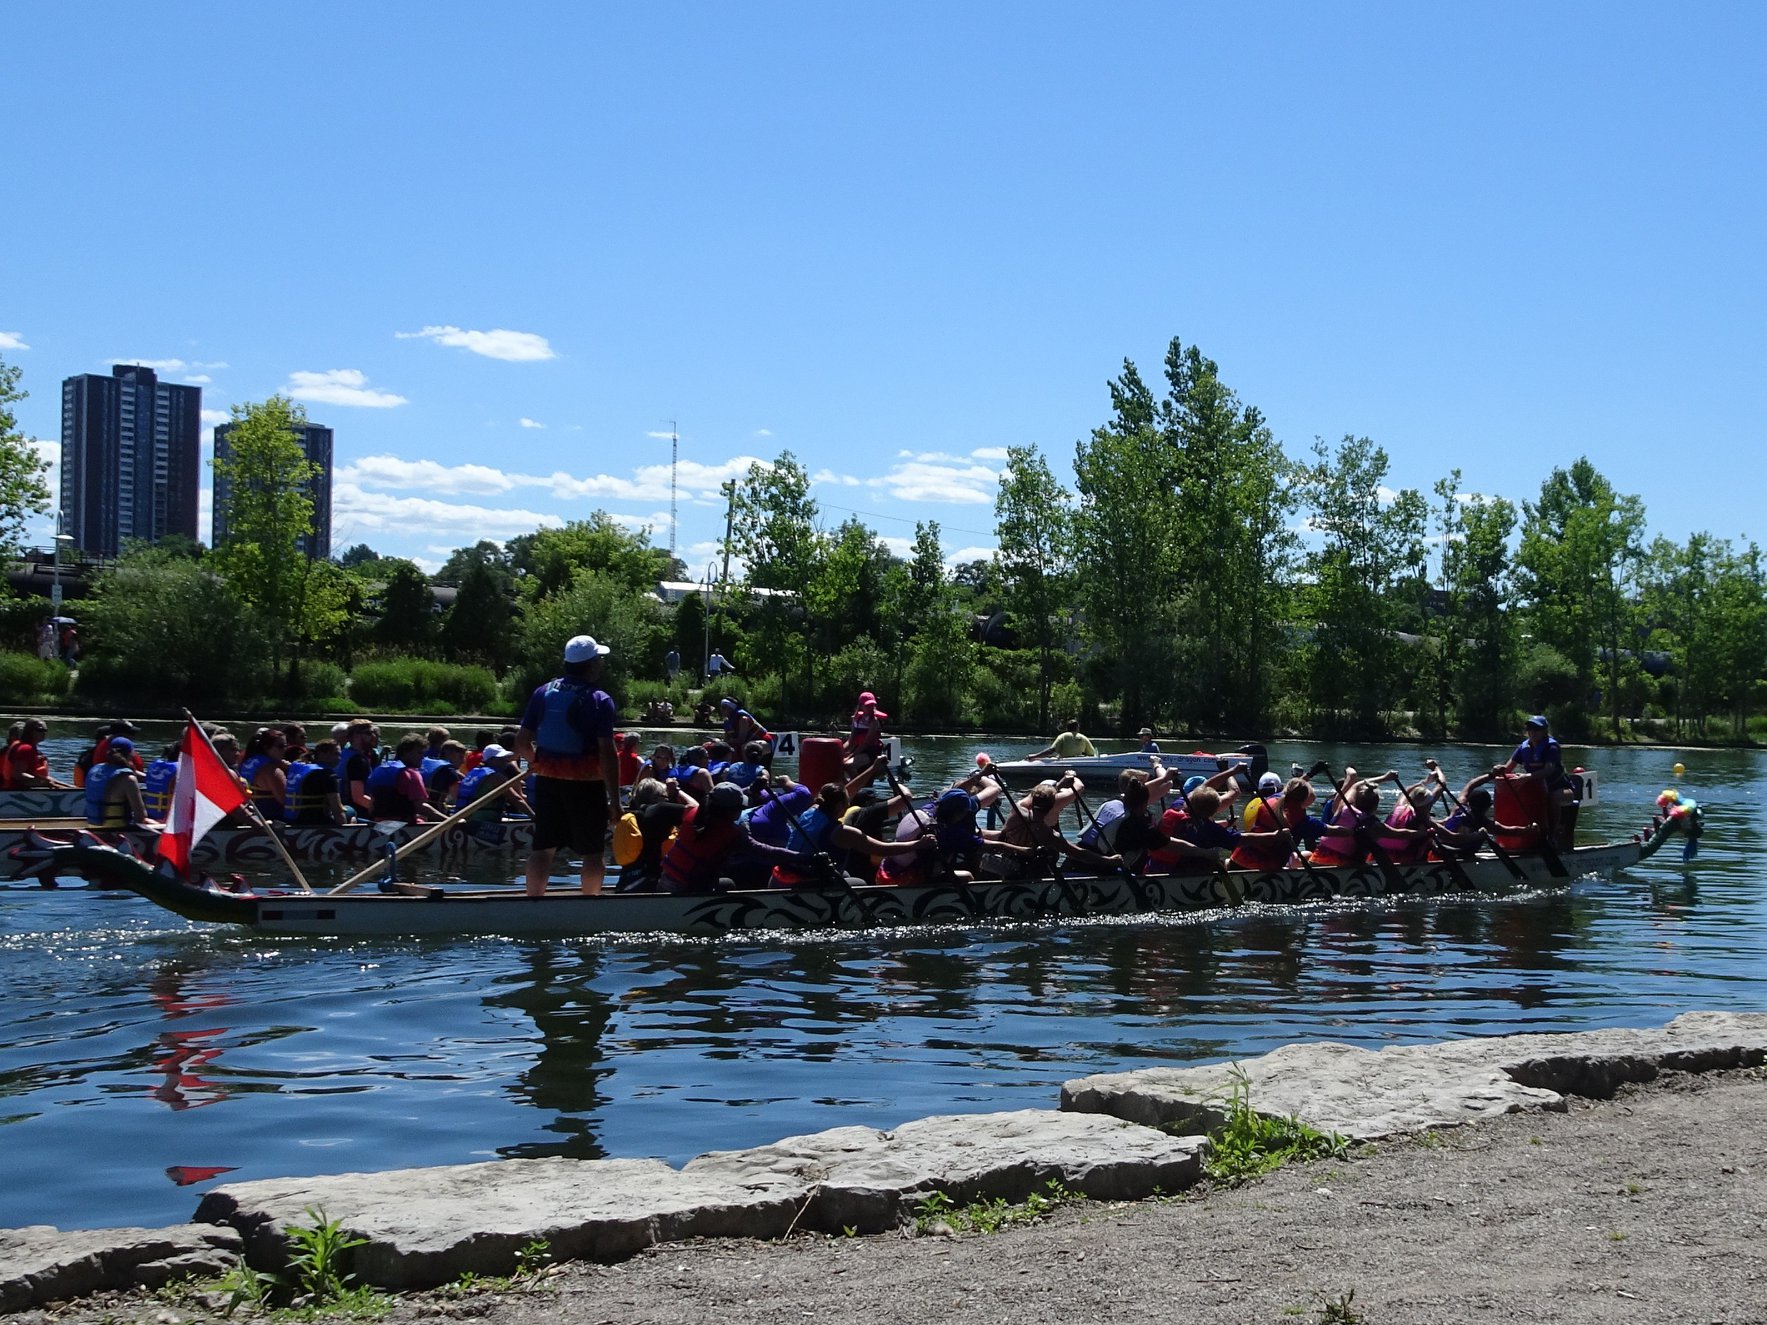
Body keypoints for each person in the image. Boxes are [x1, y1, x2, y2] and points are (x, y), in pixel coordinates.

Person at [516, 634, 621, 897]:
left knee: (543, 847)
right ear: (591, 665)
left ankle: (532, 901)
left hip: (548, 782)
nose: (601, 665)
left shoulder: (543, 692)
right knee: (593, 852)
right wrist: (615, 800)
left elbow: (522, 742)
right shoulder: (600, 699)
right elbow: (607, 753)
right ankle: (590, 900)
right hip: (586, 786)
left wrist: (537, 763)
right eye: (599, 660)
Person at [659, 781, 808, 894]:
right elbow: (765, 852)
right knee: (729, 884)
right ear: (731, 811)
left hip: (665, 881)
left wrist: (750, 790)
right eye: (739, 808)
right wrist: (802, 857)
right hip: (689, 889)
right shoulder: (732, 834)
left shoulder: (693, 812)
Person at [1495, 715, 1579, 849]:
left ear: (1544, 731)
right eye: (1530, 728)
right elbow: (1507, 769)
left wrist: (1526, 777)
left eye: (1537, 729)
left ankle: (1551, 837)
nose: (1532, 732)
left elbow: (1548, 770)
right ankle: (1520, 839)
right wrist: (1497, 772)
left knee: (1553, 797)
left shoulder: (1551, 747)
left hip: (1561, 789)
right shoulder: (1523, 747)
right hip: (1537, 791)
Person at [364, 733, 444, 825]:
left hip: (379, 824)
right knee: (422, 818)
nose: (422, 757)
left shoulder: (379, 770)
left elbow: (371, 809)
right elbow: (421, 807)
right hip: (402, 826)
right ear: (406, 752)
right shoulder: (411, 774)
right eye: (419, 753)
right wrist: (450, 821)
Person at [84, 737, 159, 830]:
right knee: (152, 822)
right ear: (131, 754)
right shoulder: (128, 779)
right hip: (117, 831)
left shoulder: (95, 770)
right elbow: (140, 817)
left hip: (93, 827)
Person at [456, 744, 532, 822]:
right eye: (501, 758)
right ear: (490, 760)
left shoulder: (474, 772)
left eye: (505, 758)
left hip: (466, 818)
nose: (505, 761)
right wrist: (534, 817)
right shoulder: (496, 777)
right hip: (483, 822)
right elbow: (517, 800)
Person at [284, 740, 346, 827]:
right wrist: (346, 829)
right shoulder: (327, 774)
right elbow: (337, 810)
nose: (339, 758)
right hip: (315, 823)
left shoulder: (300, 768)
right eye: (336, 754)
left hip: (292, 821)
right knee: (351, 811)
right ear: (324, 755)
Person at [238, 727, 290, 819]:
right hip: (272, 817)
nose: (284, 750)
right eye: (280, 746)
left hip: (254, 811)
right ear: (266, 747)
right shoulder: (273, 771)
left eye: (286, 746)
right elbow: (286, 801)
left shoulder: (248, 761)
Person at [6, 719, 70, 789]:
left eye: (45, 730)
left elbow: (39, 776)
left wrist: (70, 787)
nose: (43, 733)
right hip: (18, 792)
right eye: (40, 730)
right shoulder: (26, 749)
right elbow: (17, 774)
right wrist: (42, 782)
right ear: (30, 731)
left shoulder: (30, 748)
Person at [341, 719, 381, 818]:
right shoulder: (358, 761)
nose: (374, 737)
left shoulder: (344, 753)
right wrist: (384, 811)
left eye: (373, 733)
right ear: (356, 736)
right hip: (355, 810)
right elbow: (358, 798)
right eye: (369, 733)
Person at [846, 692, 890, 773]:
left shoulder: (874, 721)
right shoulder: (856, 719)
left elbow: (865, 744)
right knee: (838, 762)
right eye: (867, 705)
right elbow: (850, 740)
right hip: (858, 750)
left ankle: (855, 784)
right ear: (861, 706)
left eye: (872, 705)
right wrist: (839, 750)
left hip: (871, 752)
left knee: (848, 765)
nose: (871, 708)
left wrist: (849, 757)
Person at [1026, 718, 1097, 762]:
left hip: (1064, 762)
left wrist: (1034, 756)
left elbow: (1051, 750)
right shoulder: (1083, 737)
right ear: (1077, 728)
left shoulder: (1063, 736)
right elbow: (1091, 754)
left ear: (1067, 728)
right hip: (1077, 762)